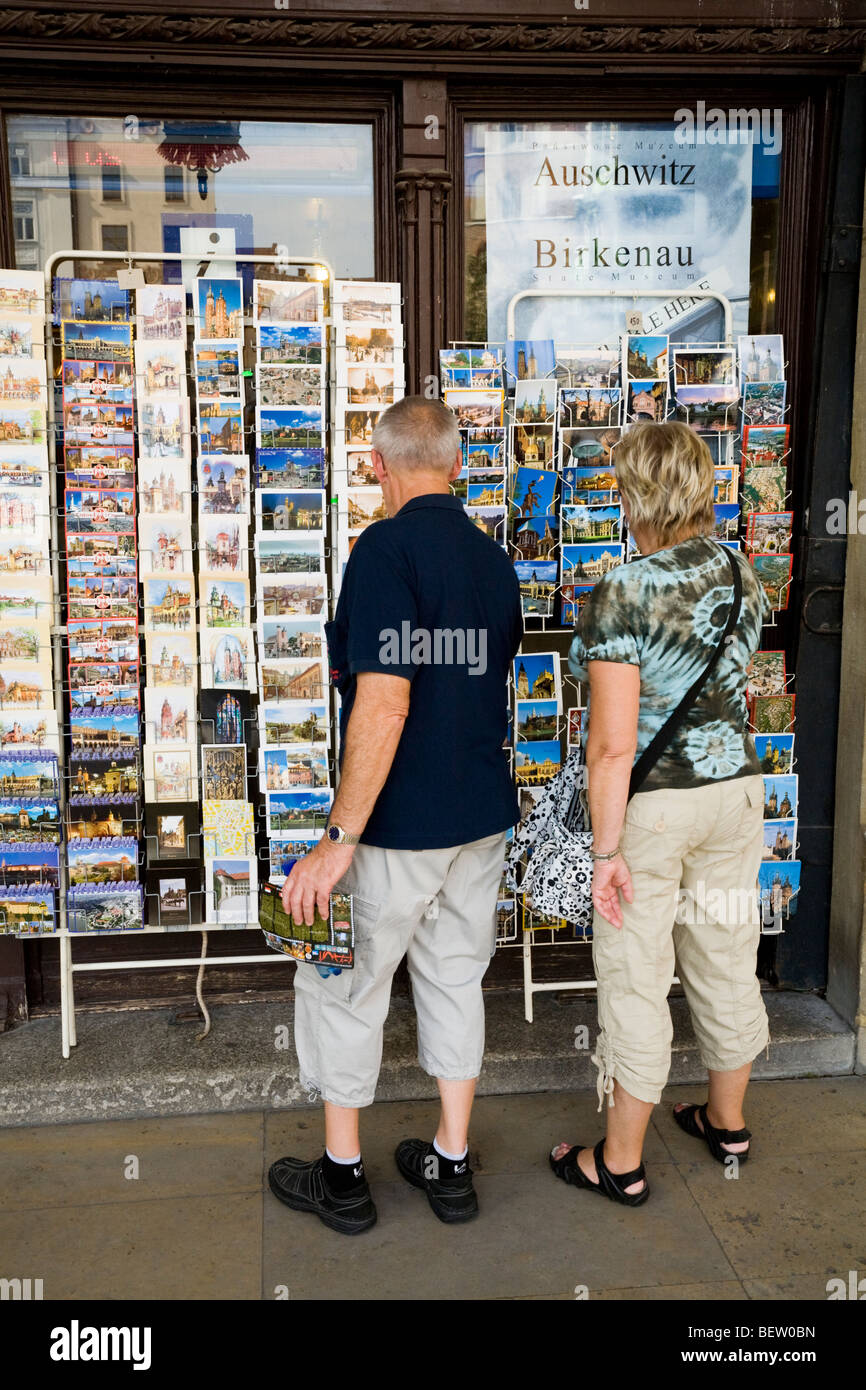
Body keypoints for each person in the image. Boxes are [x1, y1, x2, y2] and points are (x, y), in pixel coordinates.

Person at [268, 396, 523, 1235]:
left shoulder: (383, 549)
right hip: (481, 816)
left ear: (379, 467)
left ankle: (343, 1178)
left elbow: (383, 701)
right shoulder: (492, 560)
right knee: (454, 979)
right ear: (455, 464)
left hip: (398, 824)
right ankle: (451, 1166)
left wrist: (337, 841)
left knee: (343, 984)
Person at [550, 420, 770, 1206]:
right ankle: (727, 1122)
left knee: (638, 976)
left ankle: (620, 1161)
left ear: (635, 493)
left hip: (656, 807)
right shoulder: (744, 574)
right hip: (738, 793)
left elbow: (611, 747)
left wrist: (606, 853)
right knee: (725, 953)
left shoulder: (624, 590)